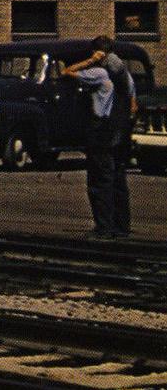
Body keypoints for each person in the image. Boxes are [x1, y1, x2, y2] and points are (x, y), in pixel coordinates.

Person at [62, 35, 134, 238]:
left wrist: (90, 61)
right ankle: (122, 226)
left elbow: (66, 72)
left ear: (97, 52)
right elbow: (132, 102)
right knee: (119, 180)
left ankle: (104, 226)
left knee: (100, 181)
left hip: (101, 130)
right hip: (120, 131)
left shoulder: (99, 73)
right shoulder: (125, 75)